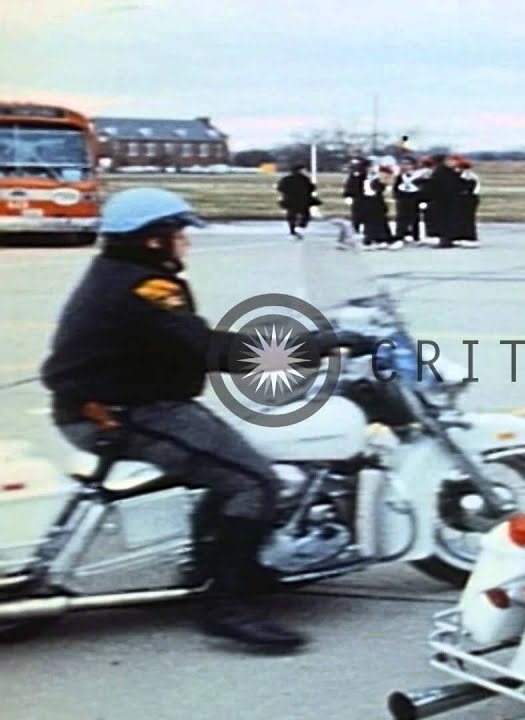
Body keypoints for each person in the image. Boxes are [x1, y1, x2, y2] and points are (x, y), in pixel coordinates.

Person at [38, 188, 373, 651]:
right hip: (124, 415)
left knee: (232, 465)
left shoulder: (122, 273)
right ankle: (225, 605)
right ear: (153, 239)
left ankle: (226, 566)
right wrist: (315, 345)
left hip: (127, 404)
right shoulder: (145, 288)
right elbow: (214, 350)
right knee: (253, 482)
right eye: (178, 232)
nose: (185, 242)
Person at [422, 154, 466, 248]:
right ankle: (446, 240)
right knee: (444, 221)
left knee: (446, 221)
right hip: (443, 201)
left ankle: (447, 239)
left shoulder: (444, 172)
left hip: (445, 201)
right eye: (449, 160)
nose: (452, 162)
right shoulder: (442, 172)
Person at [361, 161, 397, 250]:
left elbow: (381, 189)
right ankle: (370, 239)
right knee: (370, 222)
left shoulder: (377, 179)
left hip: (376, 202)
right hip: (368, 201)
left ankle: (382, 239)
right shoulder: (365, 178)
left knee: (379, 221)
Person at [275, 164, 318, 239]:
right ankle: (300, 226)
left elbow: (280, 188)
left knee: (291, 215)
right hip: (302, 200)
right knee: (305, 214)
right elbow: (312, 188)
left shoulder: (286, 179)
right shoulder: (304, 179)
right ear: (300, 170)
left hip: (289, 200)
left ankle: (292, 230)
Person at [393, 156, 426, 244]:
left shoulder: (418, 176)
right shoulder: (400, 176)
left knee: (414, 218)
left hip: (414, 198)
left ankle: (416, 236)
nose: (405, 166)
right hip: (402, 198)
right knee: (401, 218)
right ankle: (400, 235)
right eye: (403, 164)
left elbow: (422, 187)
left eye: (408, 164)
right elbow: (396, 187)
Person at [456, 156, 481, 246]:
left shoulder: (467, 176)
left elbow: (466, 188)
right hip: (471, 198)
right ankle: (463, 236)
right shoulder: (472, 175)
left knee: (467, 218)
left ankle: (469, 237)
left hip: (469, 198)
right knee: (466, 218)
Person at [342, 157, 370, 234]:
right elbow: (349, 185)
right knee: (357, 213)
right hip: (356, 196)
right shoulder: (353, 175)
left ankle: (363, 228)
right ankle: (356, 228)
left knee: (365, 213)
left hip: (365, 196)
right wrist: (347, 195)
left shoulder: (364, 175)